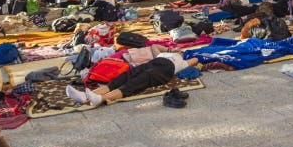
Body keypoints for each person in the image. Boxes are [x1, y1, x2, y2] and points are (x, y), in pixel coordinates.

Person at [65, 46, 199, 107]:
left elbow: (195, 60)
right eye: (177, 49)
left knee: (138, 81)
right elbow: (154, 46)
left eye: (180, 50)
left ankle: (102, 98)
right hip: (153, 63)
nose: (178, 50)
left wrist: (182, 54)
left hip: (165, 70)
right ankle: (86, 96)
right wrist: (170, 50)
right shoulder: (163, 54)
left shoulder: (182, 62)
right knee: (124, 76)